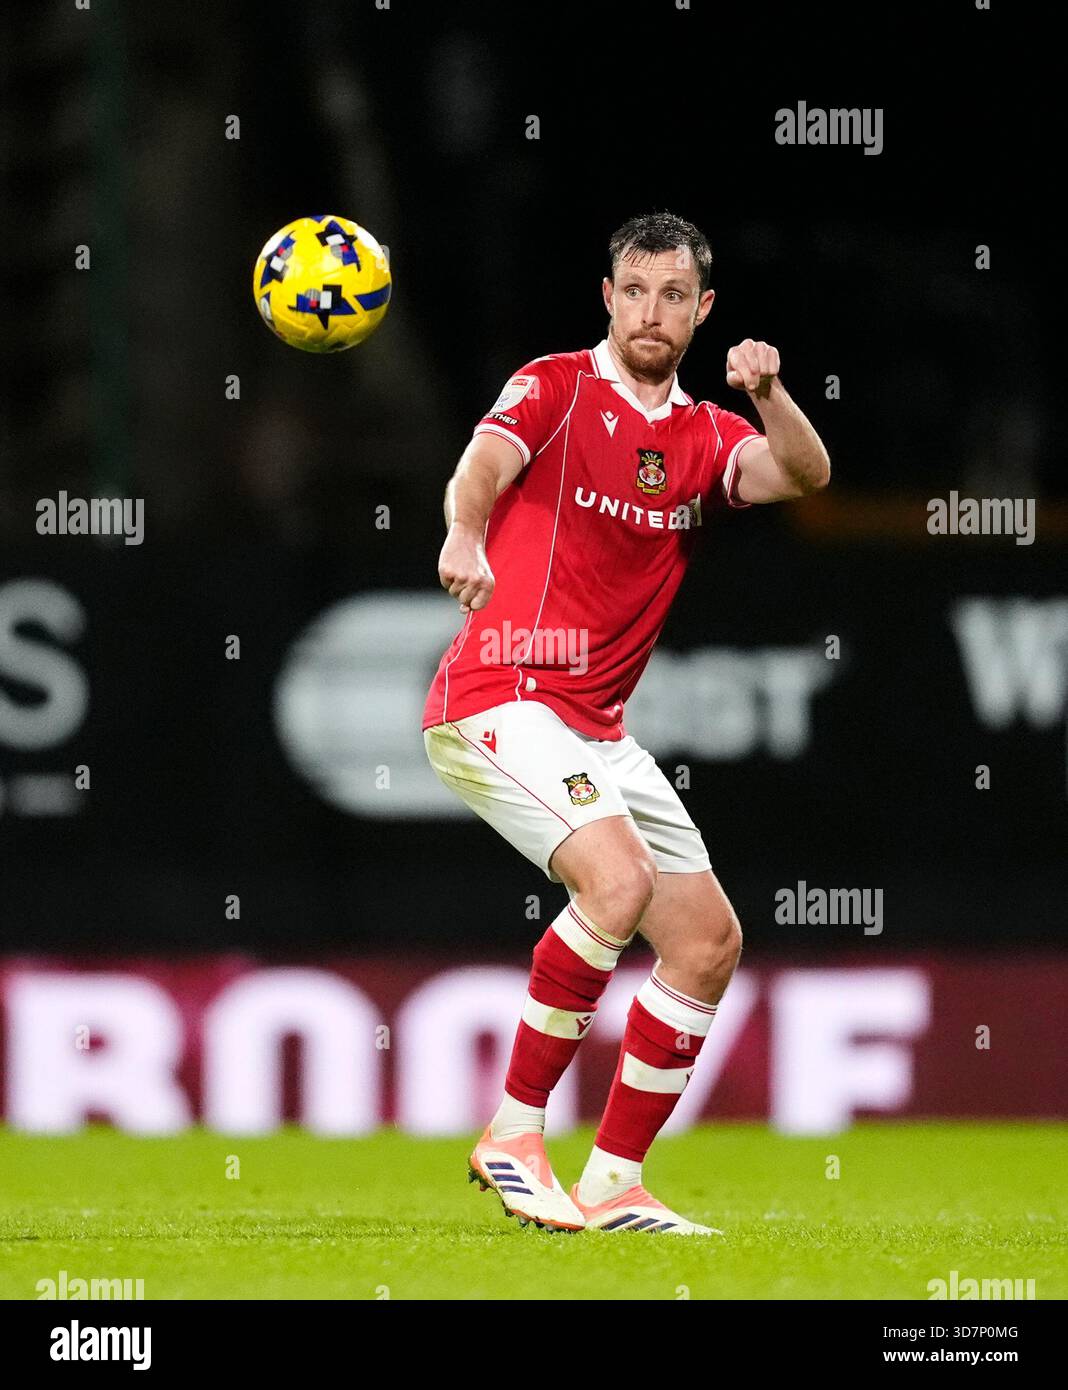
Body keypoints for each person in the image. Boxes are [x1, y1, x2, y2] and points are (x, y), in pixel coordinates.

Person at [423, 211, 831, 1234]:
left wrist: (770, 393)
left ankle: (614, 1182)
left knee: (704, 942)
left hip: (596, 728)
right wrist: (466, 533)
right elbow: (480, 463)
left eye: (673, 294)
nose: (652, 311)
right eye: (634, 290)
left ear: (703, 309)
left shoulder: (706, 436)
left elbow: (806, 476)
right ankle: (514, 1132)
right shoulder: (554, 386)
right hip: (500, 693)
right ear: (607, 296)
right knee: (618, 881)